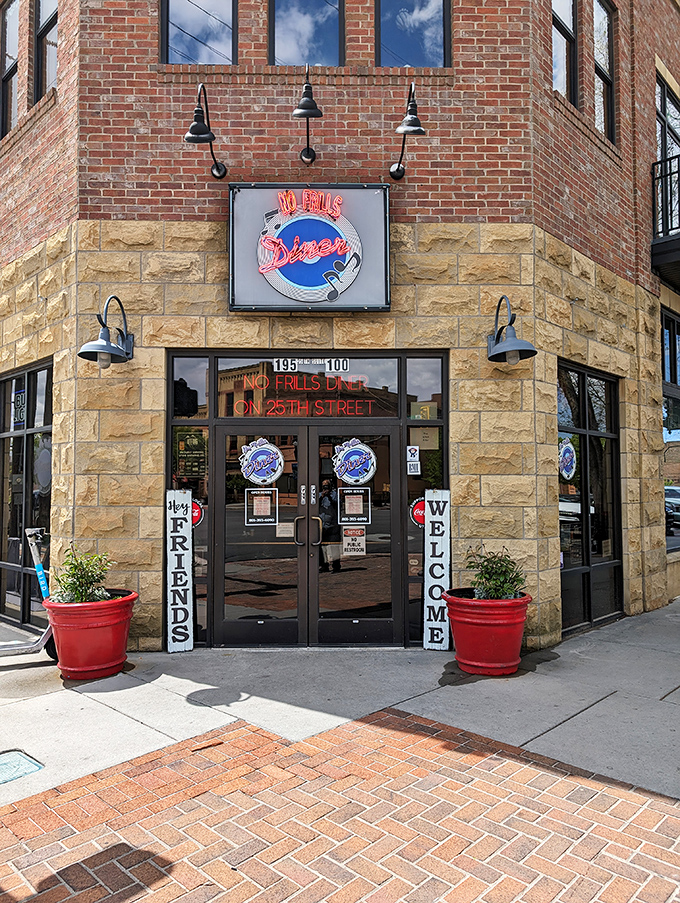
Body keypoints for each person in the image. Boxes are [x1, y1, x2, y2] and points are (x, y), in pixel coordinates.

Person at [319, 479, 341, 572]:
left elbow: (337, 505)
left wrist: (329, 496)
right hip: (321, 524)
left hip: (332, 525)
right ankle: (324, 565)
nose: (325, 488)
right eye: (324, 486)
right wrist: (322, 497)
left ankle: (336, 566)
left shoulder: (335, 495)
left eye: (327, 485)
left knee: (334, 546)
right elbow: (313, 505)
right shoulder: (319, 495)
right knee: (321, 546)